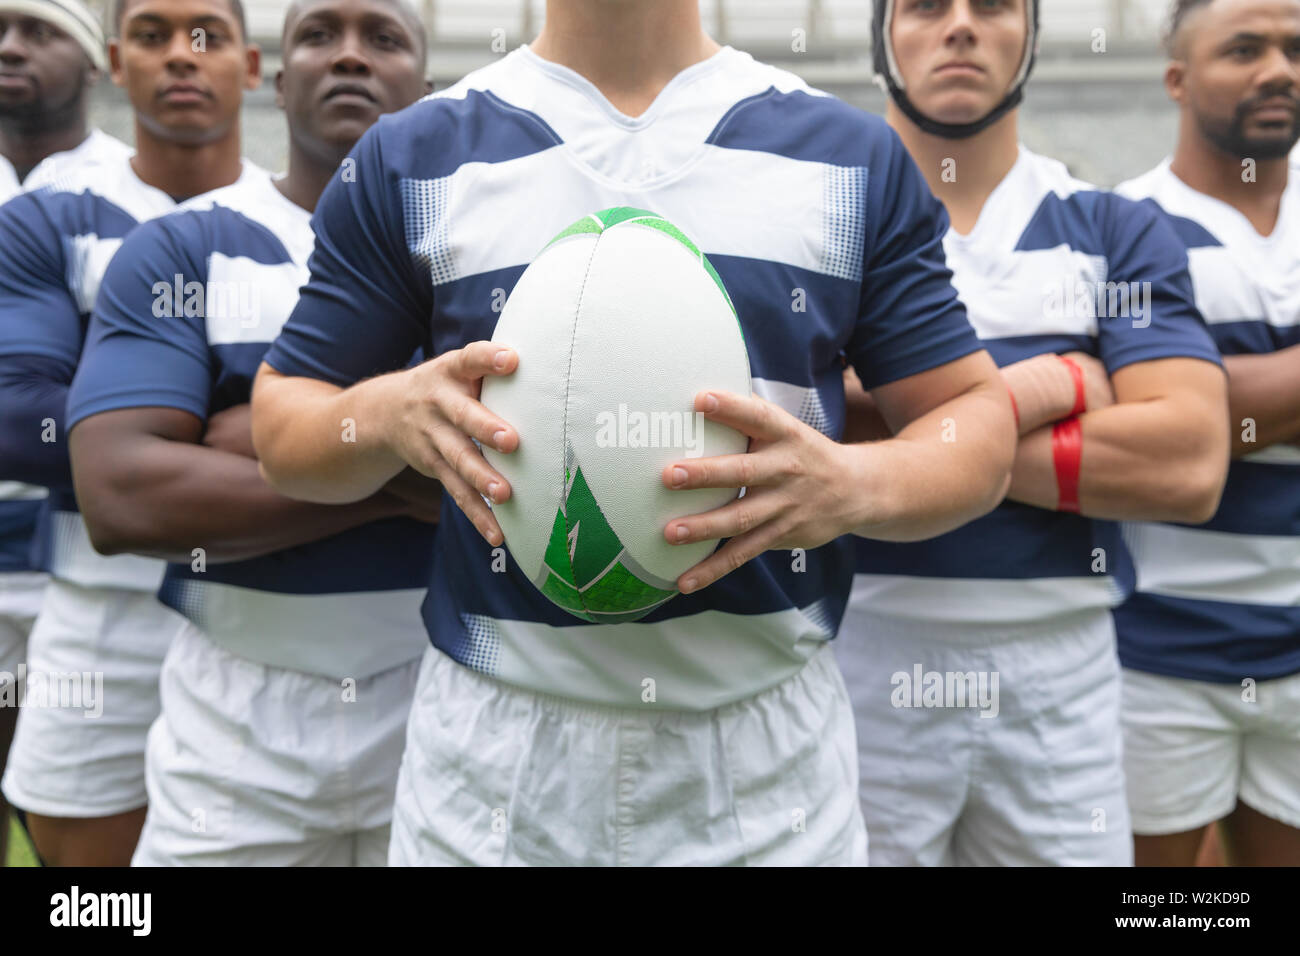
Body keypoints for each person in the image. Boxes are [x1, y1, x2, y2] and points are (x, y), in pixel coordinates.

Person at [250, 0, 1017, 866]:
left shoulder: (844, 156)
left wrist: (856, 485)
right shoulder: (412, 155)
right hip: (495, 758)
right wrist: (389, 413)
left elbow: (975, 422)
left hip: (764, 758)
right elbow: (285, 430)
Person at [835, 0, 1230, 865]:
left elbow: (1192, 463)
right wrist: (1046, 387)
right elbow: (795, 431)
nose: (962, 27)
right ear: (882, 37)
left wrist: (903, 428)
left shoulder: (1112, 228)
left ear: (1032, 35)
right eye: (928, 5)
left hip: (1062, 670)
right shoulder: (828, 227)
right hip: (861, 650)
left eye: (994, 5)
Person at [64, 0, 436, 866]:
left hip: (447, 702)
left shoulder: (480, 260)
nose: (349, 57)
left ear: (426, 87)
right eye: (319, 35)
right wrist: (399, 466)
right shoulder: (180, 249)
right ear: (274, 75)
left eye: (383, 38)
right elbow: (119, 498)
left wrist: (281, 440)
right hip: (234, 718)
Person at [0, 0, 260, 866]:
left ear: (252, 68)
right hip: (97, 610)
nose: (181, 59)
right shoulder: (48, 218)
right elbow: (12, 415)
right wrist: (219, 428)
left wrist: (136, 428)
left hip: (257, 614)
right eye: (153, 37)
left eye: (207, 38)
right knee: (90, 888)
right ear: (115, 61)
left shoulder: (301, 222)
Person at [1113, 0, 1300, 867]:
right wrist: (1201, 410)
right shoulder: (1122, 227)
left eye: (1296, 48)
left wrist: (1222, 387)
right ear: (1178, 79)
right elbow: (1174, 433)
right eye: (1246, 48)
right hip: (1156, 652)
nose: (1279, 69)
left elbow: (1215, 408)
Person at [0, 0, 114, 871]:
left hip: (86, 560)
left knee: (70, 811)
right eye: (2, 26)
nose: (10, 45)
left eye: (40, 31)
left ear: (95, 60)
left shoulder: (129, 188)